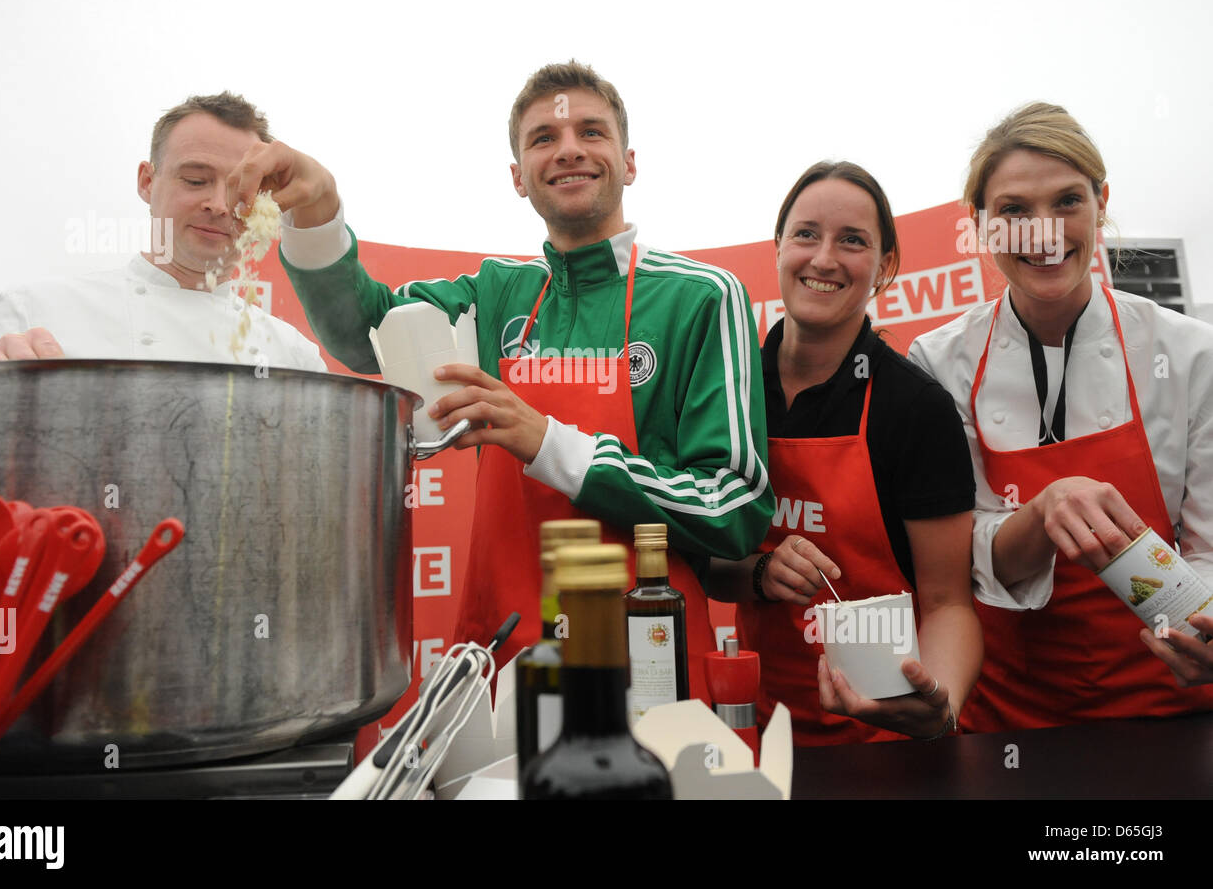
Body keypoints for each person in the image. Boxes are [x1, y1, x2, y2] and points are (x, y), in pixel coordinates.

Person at [232, 61, 774, 698]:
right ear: (518, 177)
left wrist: (548, 442)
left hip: (652, 669)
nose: (569, 149)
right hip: (509, 666)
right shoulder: (492, 295)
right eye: (544, 138)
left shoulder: (702, 297)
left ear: (630, 162)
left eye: (591, 133)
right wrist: (317, 211)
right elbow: (366, 334)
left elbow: (733, 507)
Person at [909, 103, 1213, 731]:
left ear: (1101, 204)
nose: (1042, 233)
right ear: (982, 225)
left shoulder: (1189, 354)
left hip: (1175, 710)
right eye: (1014, 209)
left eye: (1068, 201)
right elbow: (955, 563)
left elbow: (1209, 547)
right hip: (1009, 722)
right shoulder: (938, 362)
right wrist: (1043, 512)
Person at [704, 162, 981, 746]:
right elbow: (697, 563)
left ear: (884, 269)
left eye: (852, 241)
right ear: (777, 247)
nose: (824, 258)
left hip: (889, 743)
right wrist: (759, 571)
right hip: (757, 733)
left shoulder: (915, 407)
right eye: (806, 234)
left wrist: (939, 705)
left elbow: (948, 602)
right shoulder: (727, 389)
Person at [0, 92, 326, 373]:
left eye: (238, 188)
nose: (218, 205)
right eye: (196, 180)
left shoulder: (293, 357)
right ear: (147, 182)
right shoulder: (36, 312)